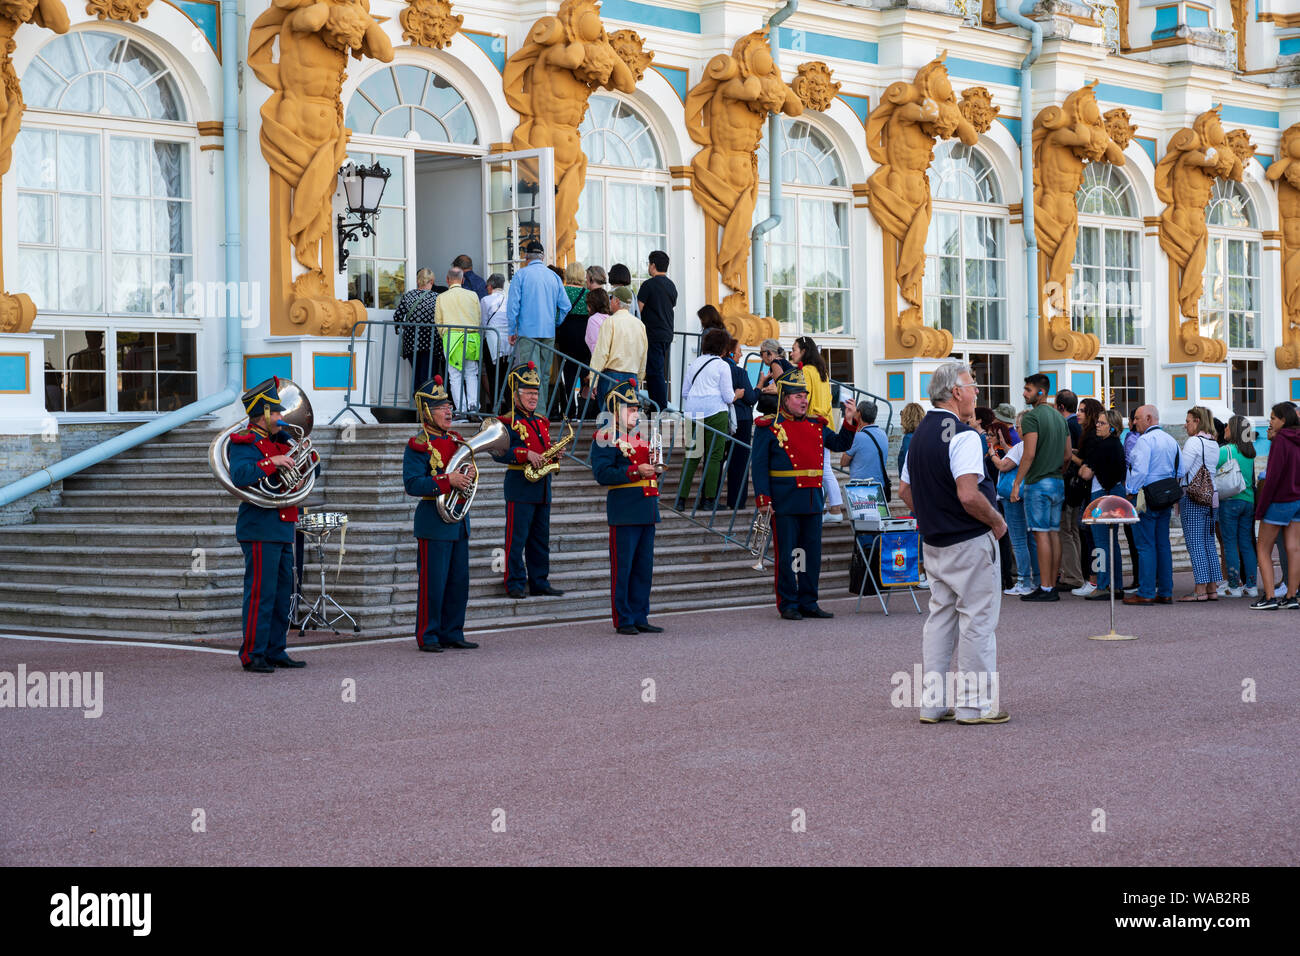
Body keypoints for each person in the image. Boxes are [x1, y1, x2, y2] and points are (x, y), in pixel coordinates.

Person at [898, 361, 1008, 725]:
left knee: (940, 619)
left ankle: (932, 703)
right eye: (972, 385)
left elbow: (904, 490)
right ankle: (974, 705)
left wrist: (932, 515)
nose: (976, 392)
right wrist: (996, 521)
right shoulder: (964, 435)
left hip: (935, 541)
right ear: (956, 392)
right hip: (969, 539)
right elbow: (969, 494)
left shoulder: (918, 436)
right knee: (977, 621)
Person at [751, 367, 858, 620]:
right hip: (785, 501)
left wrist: (849, 421)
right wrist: (763, 499)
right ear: (785, 399)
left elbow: (840, 444)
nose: (804, 401)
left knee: (811, 555)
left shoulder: (816, 425)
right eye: (798, 396)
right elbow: (759, 466)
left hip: (811, 501)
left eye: (805, 396)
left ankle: (809, 601)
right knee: (788, 555)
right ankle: (789, 603)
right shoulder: (769, 427)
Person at [228, 378, 309, 673]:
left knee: (282, 594)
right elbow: (240, 475)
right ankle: (253, 653)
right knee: (261, 594)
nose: (281, 417)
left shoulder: (282, 441)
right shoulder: (244, 441)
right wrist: (272, 462)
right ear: (262, 413)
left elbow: (309, 466)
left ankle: (276, 649)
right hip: (260, 526)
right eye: (276, 412)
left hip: (283, 523)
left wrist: (302, 465)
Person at [403, 376, 478, 651]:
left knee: (459, 582)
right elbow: (412, 484)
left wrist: (469, 474)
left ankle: (452, 631)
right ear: (427, 412)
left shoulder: (457, 440)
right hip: (433, 521)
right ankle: (429, 635)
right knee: (433, 584)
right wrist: (449, 481)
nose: (448, 412)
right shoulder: (418, 444)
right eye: (441, 407)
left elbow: (465, 471)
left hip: (458, 519)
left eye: (449, 406)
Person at [591, 382, 663, 635]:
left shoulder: (639, 438)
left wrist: (653, 467)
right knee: (623, 569)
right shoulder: (605, 437)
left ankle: (640, 615)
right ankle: (624, 618)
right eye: (630, 409)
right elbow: (602, 474)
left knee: (643, 569)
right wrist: (635, 471)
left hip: (646, 507)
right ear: (615, 410)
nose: (635, 414)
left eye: (636, 409)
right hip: (624, 509)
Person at [492, 361, 565, 600]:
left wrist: (554, 453)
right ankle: (514, 582)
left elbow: (542, 450)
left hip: (542, 487)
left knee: (540, 539)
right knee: (516, 539)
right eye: (528, 392)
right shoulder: (506, 422)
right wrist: (525, 454)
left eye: (536, 392)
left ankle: (539, 581)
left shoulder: (541, 421)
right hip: (520, 486)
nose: (534, 397)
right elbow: (499, 453)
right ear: (516, 395)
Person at [1010, 374, 1069, 602]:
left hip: (1038, 483)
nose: (1024, 393)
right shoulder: (1059, 418)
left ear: (1041, 392)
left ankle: (1045, 587)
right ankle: (1051, 585)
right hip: (1057, 481)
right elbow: (1067, 455)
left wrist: (1017, 482)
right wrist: (1058, 471)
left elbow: (1029, 453)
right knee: (1053, 533)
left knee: (1040, 533)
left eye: (1028, 389)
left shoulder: (1032, 417)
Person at [1123, 404, 1180, 606]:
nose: (1134, 422)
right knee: (1162, 544)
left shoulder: (1144, 441)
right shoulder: (1171, 440)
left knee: (1145, 545)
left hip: (1146, 497)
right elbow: (1180, 470)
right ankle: (1165, 591)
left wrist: (1130, 491)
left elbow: (1139, 471)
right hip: (1165, 496)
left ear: (1148, 418)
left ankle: (1146, 591)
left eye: (1137, 418)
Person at [506, 240, 572, 415]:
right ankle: (541, 414)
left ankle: (533, 414)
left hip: (527, 333)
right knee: (543, 375)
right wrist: (555, 322)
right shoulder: (554, 277)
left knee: (529, 375)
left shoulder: (521, 275)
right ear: (542, 257)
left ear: (526, 257)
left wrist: (512, 330)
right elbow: (565, 306)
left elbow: (513, 307)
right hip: (548, 332)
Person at [676, 328, 736, 511]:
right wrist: (739, 394)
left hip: (692, 412)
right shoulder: (722, 366)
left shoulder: (695, 363)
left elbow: (685, 392)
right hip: (715, 412)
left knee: (692, 456)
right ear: (723, 348)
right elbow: (728, 396)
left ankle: (680, 500)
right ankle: (709, 500)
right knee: (714, 458)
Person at [1251, 402, 1300, 609]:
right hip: (1297, 499)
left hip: (1280, 500)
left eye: (1272, 418)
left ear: (1283, 420)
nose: (1269, 422)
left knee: (1263, 548)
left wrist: (1261, 508)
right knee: (1294, 548)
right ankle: (1291, 596)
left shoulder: (1281, 440)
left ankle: (1270, 597)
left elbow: (1273, 477)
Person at [1076, 408, 1128, 601]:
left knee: (1101, 543)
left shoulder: (1102, 445)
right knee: (1113, 542)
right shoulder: (1117, 444)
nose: (1097, 425)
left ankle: (1104, 585)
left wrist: (1082, 466)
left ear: (1112, 427)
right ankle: (1117, 585)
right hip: (1116, 494)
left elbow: (1086, 473)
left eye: (1102, 423)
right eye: (1098, 422)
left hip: (1101, 495)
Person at [790, 336, 843, 523]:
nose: (791, 353)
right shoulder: (822, 372)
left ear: (804, 351)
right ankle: (829, 508)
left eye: (794, 349)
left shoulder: (805, 371)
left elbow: (803, 399)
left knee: (820, 469)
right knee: (823, 468)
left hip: (812, 424)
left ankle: (832, 508)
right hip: (825, 422)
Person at [1178, 405, 1223, 601]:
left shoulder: (1194, 442)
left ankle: (1200, 589)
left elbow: (1182, 470)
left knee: (1195, 543)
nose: (1185, 425)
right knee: (1208, 542)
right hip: (1211, 496)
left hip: (1194, 496)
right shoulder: (1213, 443)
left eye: (1188, 421)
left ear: (1197, 421)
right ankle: (1212, 587)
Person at [990, 411, 1038, 595]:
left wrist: (993, 454)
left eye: (1018, 426)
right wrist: (1005, 446)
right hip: (1030, 493)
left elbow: (1004, 465)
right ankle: (1037, 579)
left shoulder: (1021, 446)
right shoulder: (1036, 446)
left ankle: (1024, 582)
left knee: (1018, 541)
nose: (1016, 430)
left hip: (1013, 495)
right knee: (1031, 539)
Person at [1064, 398, 1104, 596]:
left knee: (1092, 537)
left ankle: (1095, 581)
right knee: (1087, 535)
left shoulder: (1092, 437)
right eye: (1078, 410)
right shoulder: (1088, 435)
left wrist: (1070, 455)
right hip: (1090, 492)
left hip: (1092, 491)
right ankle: (1094, 580)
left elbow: (1088, 465)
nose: (1078, 414)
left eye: (1082, 411)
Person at [1218, 414, 1258, 598]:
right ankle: (1251, 585)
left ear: (1233, 429)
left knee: (1230, 543)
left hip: (1230, 500)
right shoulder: (1250, 452)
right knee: (1246, 544)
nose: (1224, 429)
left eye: (1227, 426)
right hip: (1248, 500)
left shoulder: (1225, 450)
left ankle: (1233, 586)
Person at [588, 287, 647, 409]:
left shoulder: (610, 322)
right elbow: (643, 356)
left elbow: (601, 354)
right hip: (632, 377)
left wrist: (593, 380)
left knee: (608, 417)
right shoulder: (640, 325)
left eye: (611, 298)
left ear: (617, 301)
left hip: (611, 376)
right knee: (628, 418)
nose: (609, 301)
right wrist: (639, 379)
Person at [435, 266, 482, 413]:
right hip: (471, 337)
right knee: (471, 373)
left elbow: (438, 322)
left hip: (452, 338)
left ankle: (461, 409)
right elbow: (478, 318)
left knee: (455, 376)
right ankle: (473, 406)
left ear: (447, 280)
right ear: (462, 280)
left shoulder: (441, 297)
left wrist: (445, 334)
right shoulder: (473, 295)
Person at [393, 269, 442, 399]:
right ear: (432, 281)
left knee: (417, 373)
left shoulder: (409, 295)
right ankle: (427, 403)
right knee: (428, 375)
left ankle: (418, 403)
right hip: (431, 342)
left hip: (412, 341)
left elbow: (397, 317)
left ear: (417, 280)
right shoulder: (437, 298)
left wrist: (404, 326)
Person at [637, 250, 677, 411]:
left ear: (653, 265)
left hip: (652, 333)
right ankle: (657, 407)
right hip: (667, 332)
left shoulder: (648, 285)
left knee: (654, 372)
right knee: (657, 370)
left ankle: (659, 408)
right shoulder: (671, 286)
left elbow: (638, 309)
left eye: (649, 264)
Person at [1054, 389, 1085, 590]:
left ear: (1061, 406)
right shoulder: (1077, 424)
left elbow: (1068, 456)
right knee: (1072, 531)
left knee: (1066, 531)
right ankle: (1074, 572)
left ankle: (1072, 576)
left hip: (1068, 484)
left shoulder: (1067, 425)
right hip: (1076, 485)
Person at [553, 261, 592, 419]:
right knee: (585, 372)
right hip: (584, 336)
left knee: (568, 372)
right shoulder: (588, 294)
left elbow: (557, 315)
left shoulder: (562, 291)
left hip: (567, 335)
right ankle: (584, 408)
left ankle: (569, 410)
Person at [724, 334, 758, 510]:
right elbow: (751, 398)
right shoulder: (738, 372)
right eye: (739, 351)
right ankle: (737, 501)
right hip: (741, 420)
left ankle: (711, 499)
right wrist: (760, 386)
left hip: (722, 418)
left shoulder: (717, 369)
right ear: (730, 353)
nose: (741, 354)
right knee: (739, 461)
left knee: (719, 459)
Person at [842, 400, 889, 487]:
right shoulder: (883, 434)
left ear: (859, 414)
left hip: (860, 487)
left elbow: (843, 462)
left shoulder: (857, 437)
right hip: (879, 487)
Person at [480, 273, 509, 410]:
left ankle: (496, 408)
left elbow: (483, 322)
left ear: (490, 286)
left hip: (491, 340)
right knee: (506, 375)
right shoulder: (509, 299)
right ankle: (508, 407)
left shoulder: (486, 300)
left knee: (492, 376)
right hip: (508, 342)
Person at [755, 339, 794, 416]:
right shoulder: (784, 363)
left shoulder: (775, 363)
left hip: (778, 414)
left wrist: (763, 389)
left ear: (769, 353)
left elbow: (779, 387)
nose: (761, 357)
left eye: (761, 353)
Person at [897, 401, 924, 475]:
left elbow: (909, 465)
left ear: (908, 419)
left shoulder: (909, 438)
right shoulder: (925, 435)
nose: (901, 423)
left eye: (902, 415)